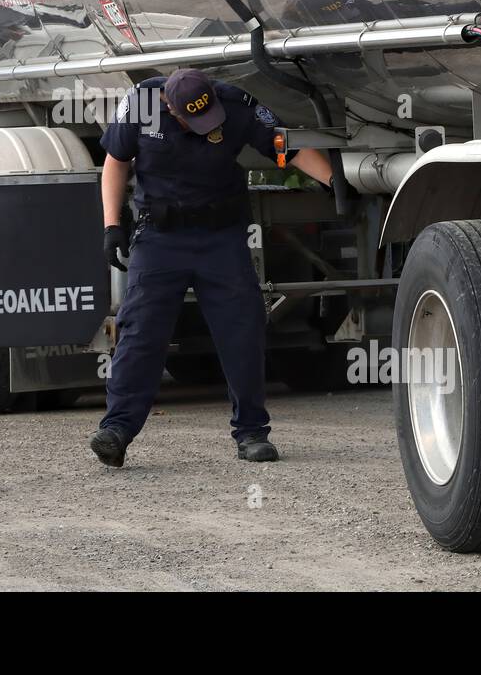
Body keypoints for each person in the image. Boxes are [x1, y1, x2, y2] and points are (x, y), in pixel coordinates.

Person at [92, 68, 334, 467]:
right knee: (141, 333)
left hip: (220, 236)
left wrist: (332, 182)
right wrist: (111, 225)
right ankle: (117, 430)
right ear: (169, 107)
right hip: (159, 236)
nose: (205, 127)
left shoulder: (235, 105)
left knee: (242, 329)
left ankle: (252, 431)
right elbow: (116, 161)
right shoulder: (141, 103)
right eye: (192, 120)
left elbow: (284, 147)